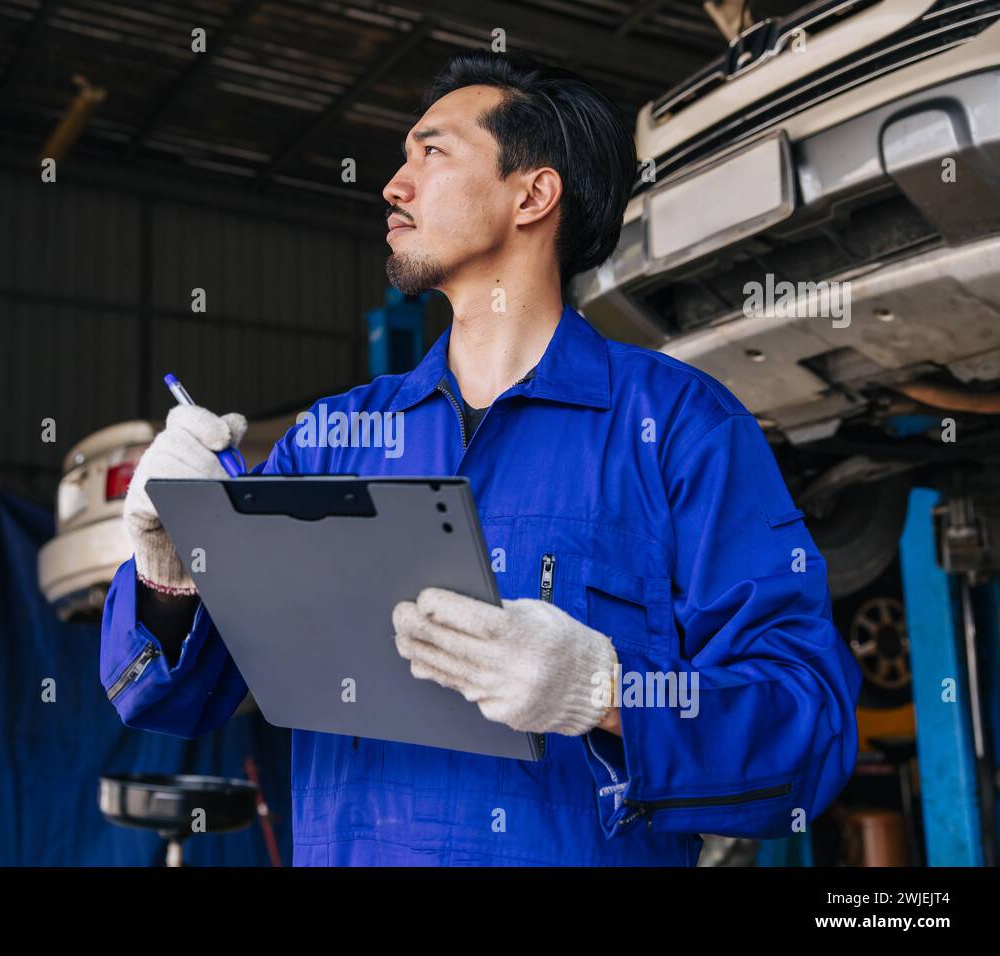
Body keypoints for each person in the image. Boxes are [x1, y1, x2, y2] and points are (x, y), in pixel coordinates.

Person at [101, 50, 861, 866]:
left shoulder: (678, 428)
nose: (394, 186)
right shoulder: (331, 439)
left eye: (432, 153)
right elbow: (174, 698)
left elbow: (806, 729)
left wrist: (607, 694)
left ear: (532, 194)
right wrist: (168, 568)